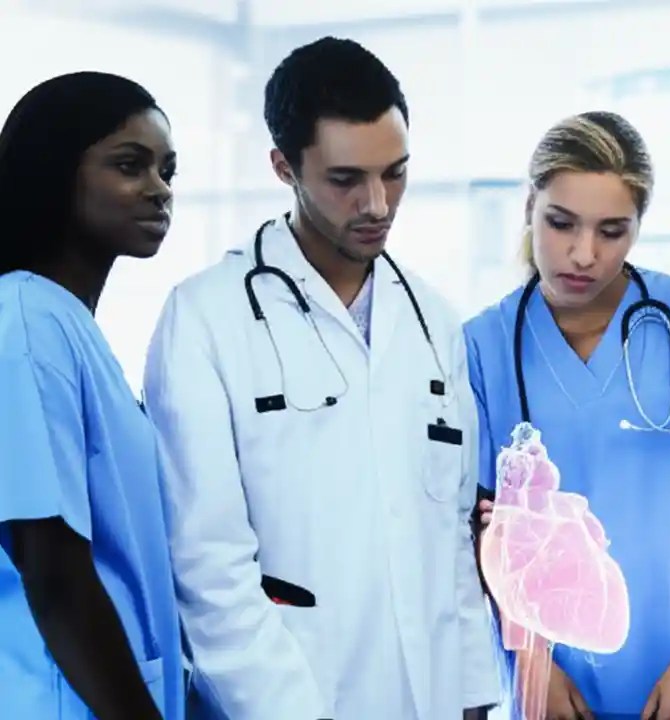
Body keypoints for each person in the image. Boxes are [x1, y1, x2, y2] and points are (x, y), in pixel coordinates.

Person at [141, 37, 500, 719]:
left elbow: (451, 539)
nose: (377, 204)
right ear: (285, 167)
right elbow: (206, 561)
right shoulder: (207, 318)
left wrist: (473, 698)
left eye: (395, 173)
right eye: (346, 179)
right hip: (288, 698)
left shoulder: (434, 321)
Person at [467, 110, 670, 719]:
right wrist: (532, 664)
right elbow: (479, 523)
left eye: (612, 231)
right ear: (529, 207)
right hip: (554, 681)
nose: (583, 254)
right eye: (561, 223)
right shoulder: (482, 346)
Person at [0, 72, 183, 719]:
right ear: (54, 171)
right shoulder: (27, 319)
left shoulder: (69, 325)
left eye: (168, 169)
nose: (159, 189)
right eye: (130, 166)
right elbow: (53, 574)